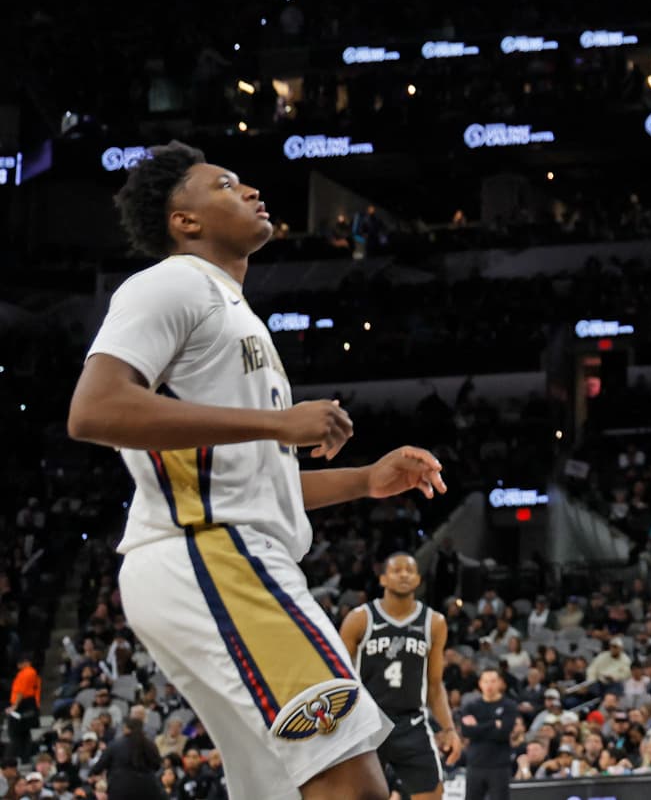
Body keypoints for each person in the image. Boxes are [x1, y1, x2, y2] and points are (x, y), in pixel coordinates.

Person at [66, 142, 447, 800]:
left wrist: (363, 478)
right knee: (353, 784)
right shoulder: (176, 281)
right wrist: (278, 423)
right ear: (184, 220)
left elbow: (242, 482)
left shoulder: (231, 308)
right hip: (212, 556)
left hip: (217, 552)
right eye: (225, 184)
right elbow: (94, 408)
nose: (249, 191)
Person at [338, 554, 460, 800]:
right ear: (383, 578)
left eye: (410, 570)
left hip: (411, 722)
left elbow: (435, 685)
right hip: (368, 722)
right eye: (396, 570)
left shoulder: (434, 622)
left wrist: (449, 729)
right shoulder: (360, 618)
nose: (404, 574)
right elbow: (337, 675)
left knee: (434, 793)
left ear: (418, 580)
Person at [457, 669, 520, 800]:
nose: (489, 685)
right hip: (475, 764)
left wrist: (477, 726)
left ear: (500, 683)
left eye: (493, 681)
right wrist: (493, 725)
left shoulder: (509, 705)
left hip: (499, 765)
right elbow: (467, 732)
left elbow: (503, 733)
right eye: (485, 681)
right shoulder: (471, 706)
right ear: (480, 684)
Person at [105, 715, 164, 800]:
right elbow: (157, 765)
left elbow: (103, 763)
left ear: (128, 729)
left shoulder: (118, 744)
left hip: (123, 786)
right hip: (147, 785)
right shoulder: (150, 744)